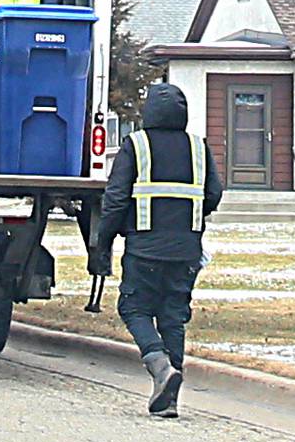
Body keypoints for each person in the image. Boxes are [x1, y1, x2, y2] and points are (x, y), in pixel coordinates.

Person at [89, 83, 223, 418]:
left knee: (133, 308)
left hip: (145, 249)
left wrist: (103, 243)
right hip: (186, 250)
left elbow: (116, 199)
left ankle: (160, 366)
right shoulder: (198, 147)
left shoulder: (136, 145)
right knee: (173, 317)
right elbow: (214, 195)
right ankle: (169, 398)